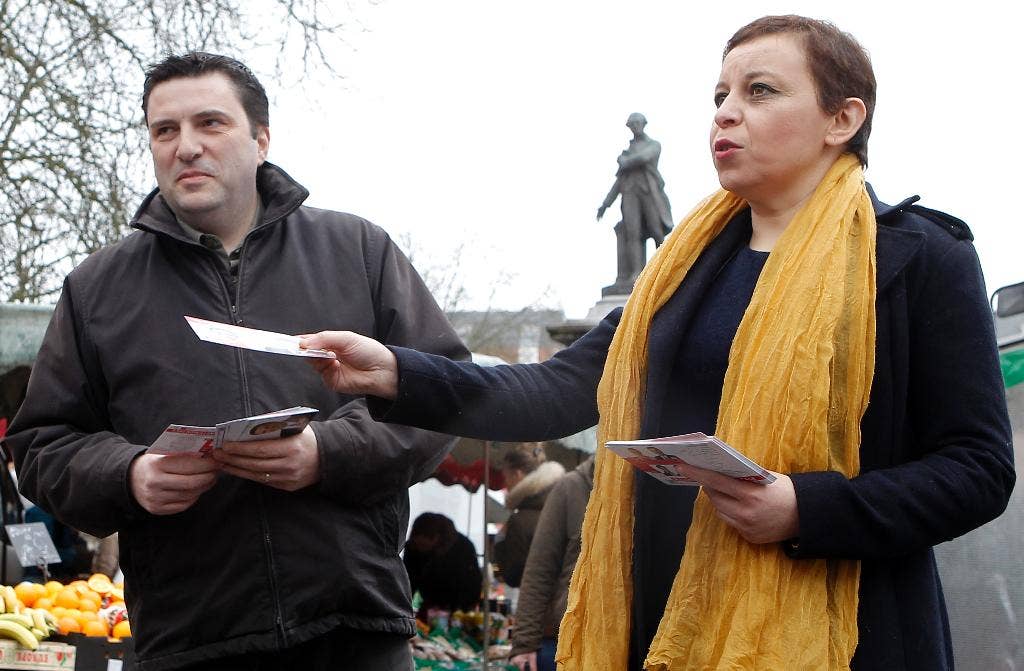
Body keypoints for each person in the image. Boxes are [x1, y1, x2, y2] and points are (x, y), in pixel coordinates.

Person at [300, 15, 1015, 671]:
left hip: (849, 634)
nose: (725, 112)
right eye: (719, 94)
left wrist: (806, 507)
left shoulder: (921, 257)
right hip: (661, 624)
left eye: (759, 91)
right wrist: (396, 369)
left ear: (842, 117)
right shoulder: (681, 268)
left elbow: (978, 468)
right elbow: (553, 391)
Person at [3, 52, 468, 670]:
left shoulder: (357, 251)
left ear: (261, 139)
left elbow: (444, 394)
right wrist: (130, 475)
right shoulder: (96, 289)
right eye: (164, 130)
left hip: (353, 629)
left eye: (210, 124)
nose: (185, 146)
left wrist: (326, 454)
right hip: (188, 639)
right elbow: (40, 446)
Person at [508, 457, 594, 671]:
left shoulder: (655, 485)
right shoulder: (572, 487)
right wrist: (524, 642)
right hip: (568, 641)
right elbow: (539, 571)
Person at [597, 113, 674, 293]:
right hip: (630, 196)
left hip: (649, 194)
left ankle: (666, 270)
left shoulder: (653, 145)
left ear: (643, 124)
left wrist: (624, 161)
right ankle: (635, 274)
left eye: (637, 123)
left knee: (656, 231)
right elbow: (617, 184)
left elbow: (644, 158)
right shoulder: (627, 152)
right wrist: (605, 205)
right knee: (632, 233)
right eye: (631, 124)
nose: (634, 127)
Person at [493, 444, 565, 588]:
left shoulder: (519, 521)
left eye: (506, 477)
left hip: (541, 602)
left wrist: (499, 540)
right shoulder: (564, 503)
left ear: (517, 475)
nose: (505, 483)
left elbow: (513, 576)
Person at [403, 513, 482, 616]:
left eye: (423, 544)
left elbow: (472, 584)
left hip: (458, 610)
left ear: (436, 538)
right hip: (429, 607)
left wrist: (460, 611)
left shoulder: (463, 548)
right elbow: (407, 582)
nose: (421, 549)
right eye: (418, 544)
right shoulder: (413, 548)